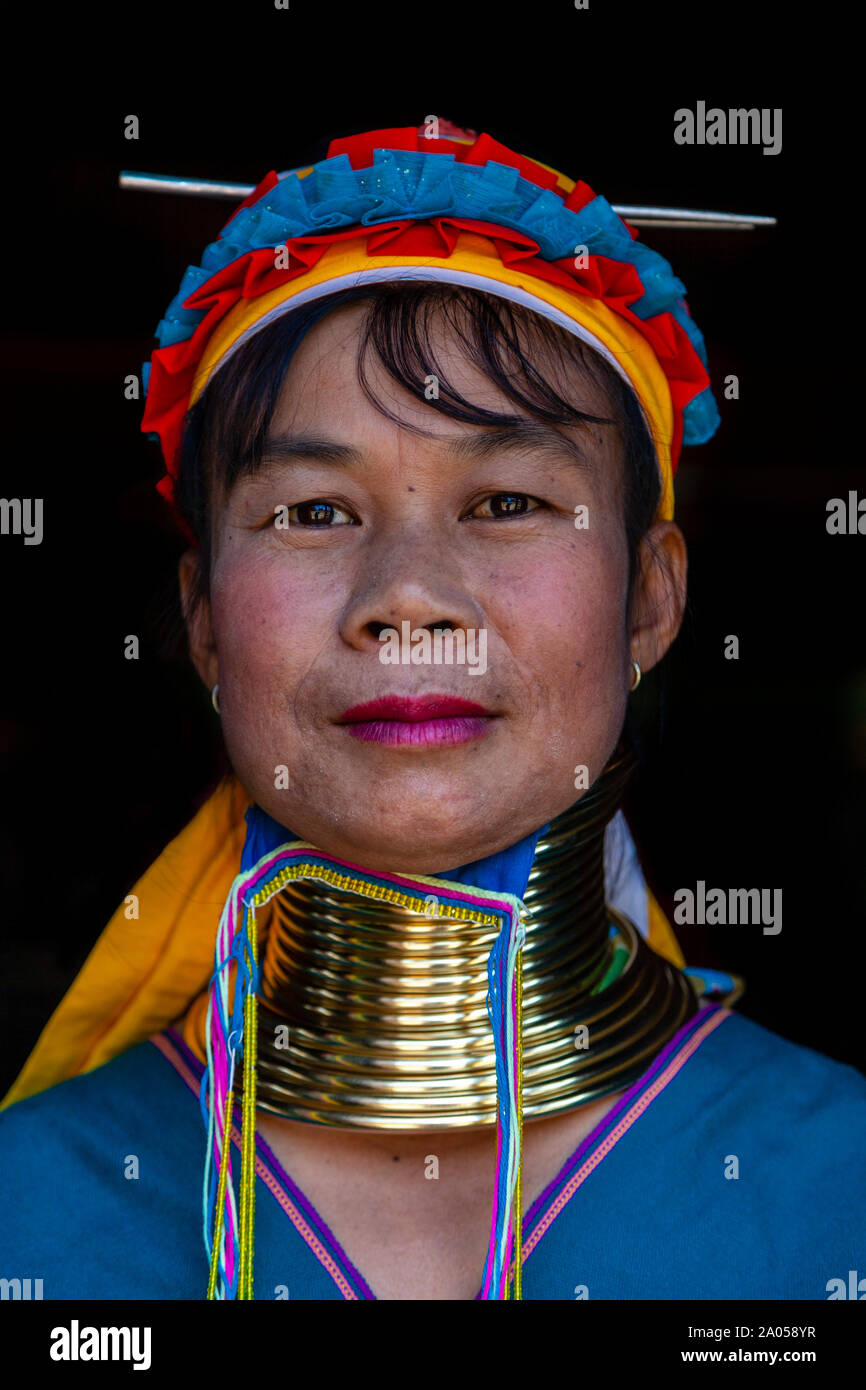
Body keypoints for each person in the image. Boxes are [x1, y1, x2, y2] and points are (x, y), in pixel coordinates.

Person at [1, 122, 863, 1302]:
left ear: (651, 601)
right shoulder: (29, 1208)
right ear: (203, 617)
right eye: (311, 512)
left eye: (507, 498)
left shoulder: (835, 1182)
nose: (406, 596)